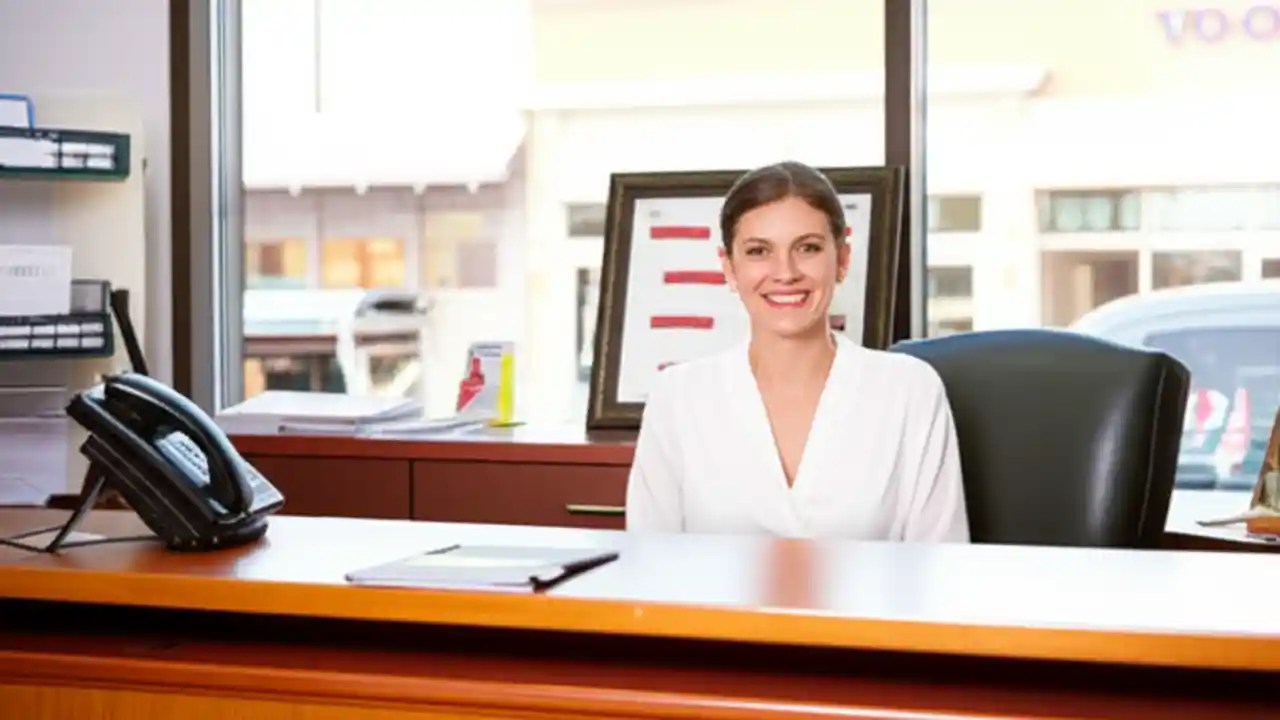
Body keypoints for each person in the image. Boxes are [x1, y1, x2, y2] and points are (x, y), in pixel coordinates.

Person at [625, 161, 969, 541]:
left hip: (868, 604)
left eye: (807, 248)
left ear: (841, 260)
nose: (785, 272)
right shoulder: (677, 397)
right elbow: (650, 568)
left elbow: (941, 569)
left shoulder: (910, 390)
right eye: (758, 251)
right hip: (711, 604)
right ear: (728, 268)